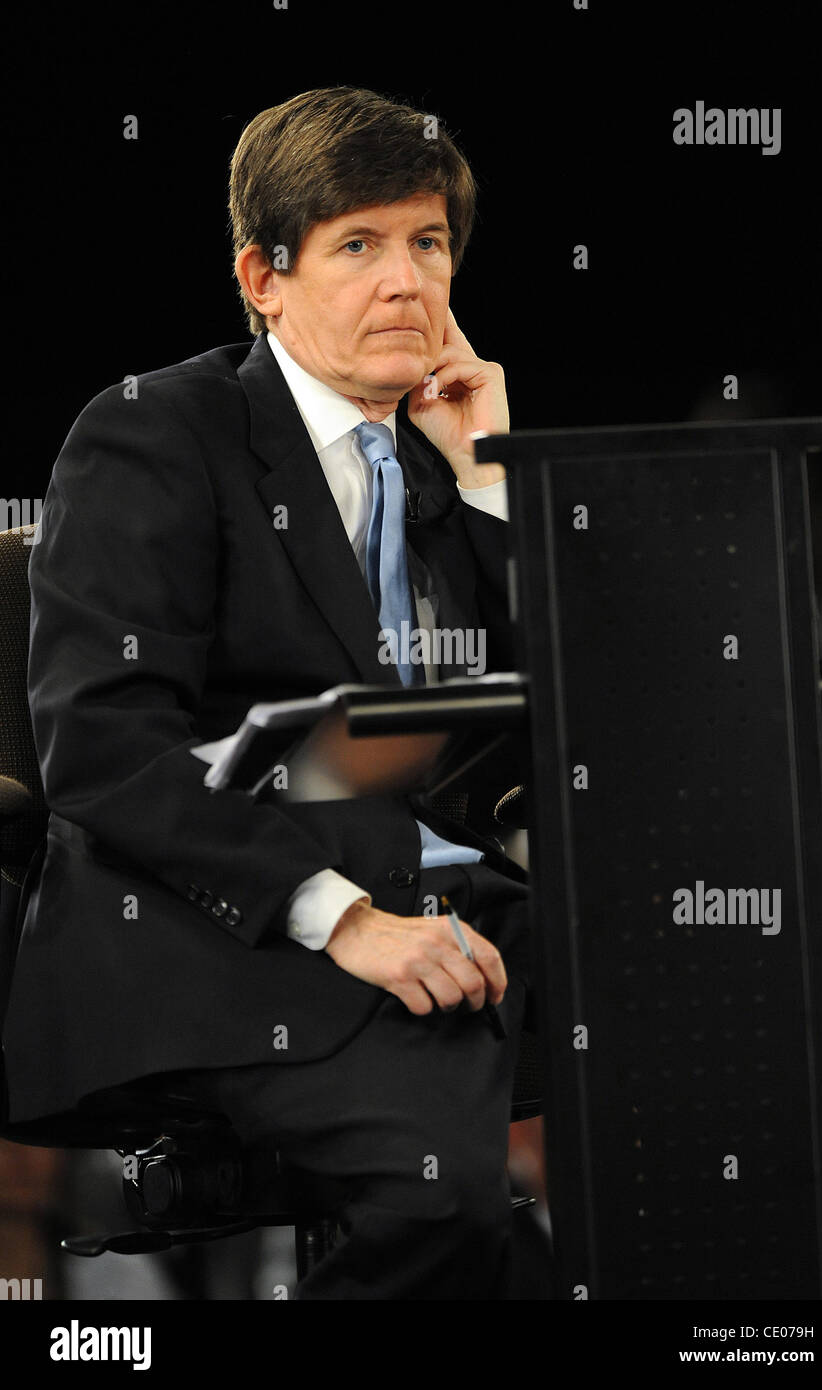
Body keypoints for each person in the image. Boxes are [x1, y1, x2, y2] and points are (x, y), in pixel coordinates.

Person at [1, 86, 535, 1299]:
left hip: (447, 907)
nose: (410, 282)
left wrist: (492, 479)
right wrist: (344, 915)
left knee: (779, 1056)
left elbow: (533, 732)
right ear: (264, 276)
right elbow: (102, 744)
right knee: (437, 1184)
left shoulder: (446, 463)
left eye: (430, 244)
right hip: (218, 931)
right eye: (360, 245)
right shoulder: (155, 433)